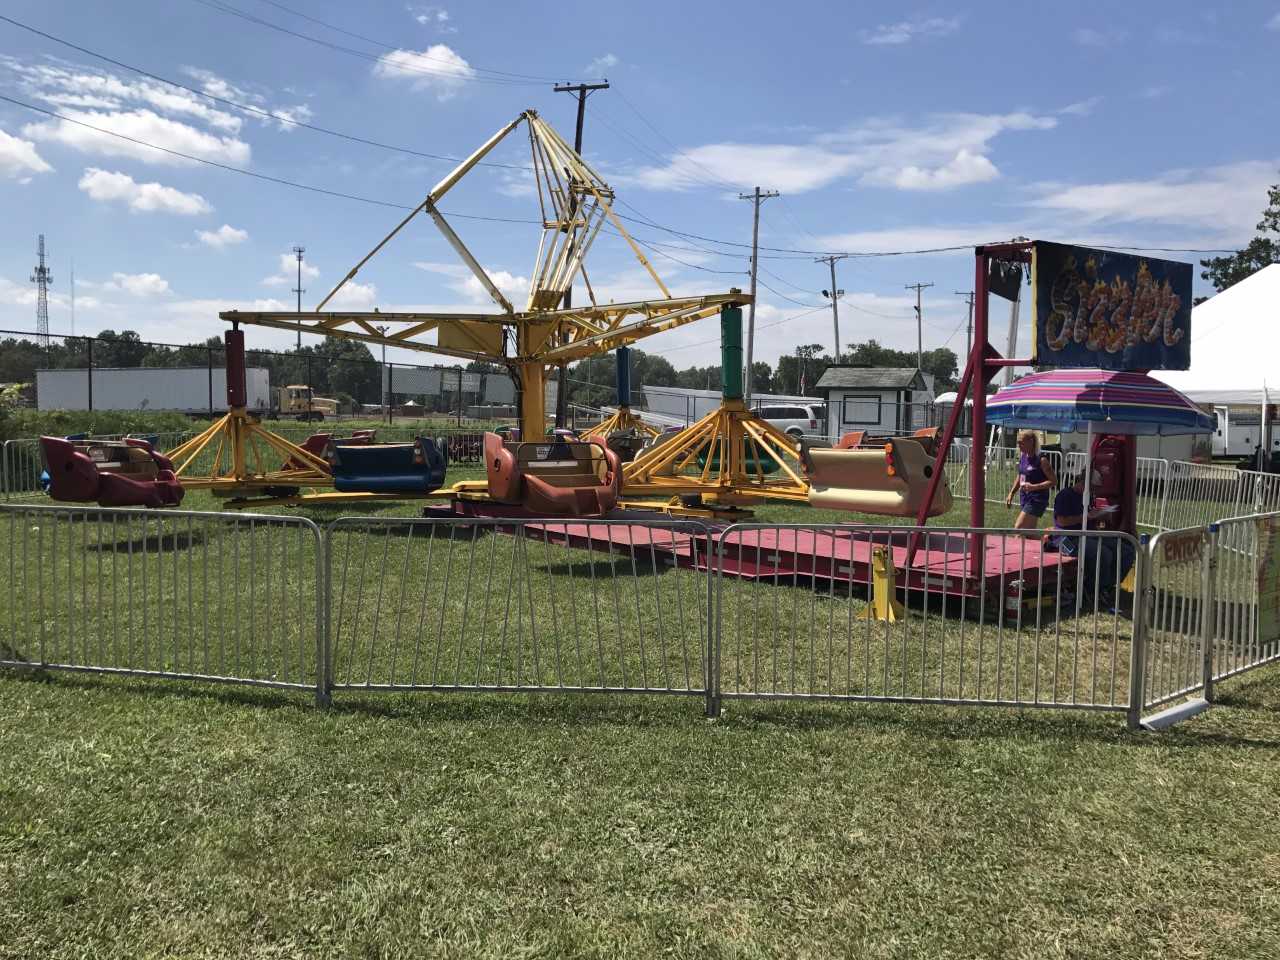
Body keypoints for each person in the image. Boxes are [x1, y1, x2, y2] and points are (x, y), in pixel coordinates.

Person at [1004, 430, 1057, 529]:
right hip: (1025, 497)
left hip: (1037, 499)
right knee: (1029, 532)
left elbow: (1053, 481)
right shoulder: (1023, 456)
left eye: (1021, 443)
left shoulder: (1042, 460)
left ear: (1031, 442)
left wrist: (1034, 487)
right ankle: (1049, 536)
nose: (1019, 446)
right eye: (1018, 443)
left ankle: (1050, 534)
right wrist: (1011, 493)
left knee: (1019, 528)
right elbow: (1020, 475)